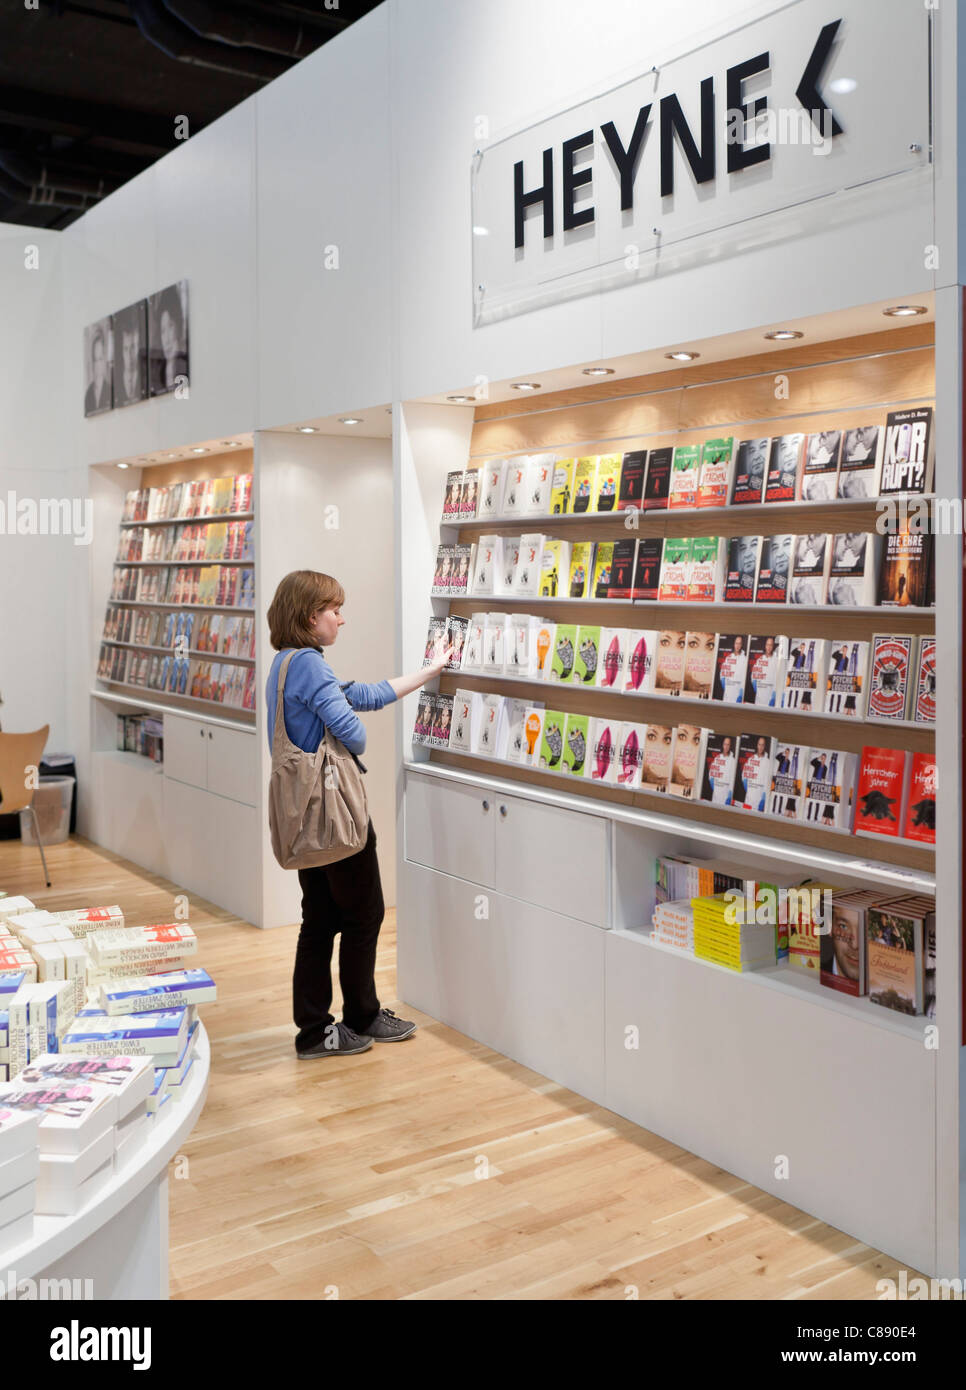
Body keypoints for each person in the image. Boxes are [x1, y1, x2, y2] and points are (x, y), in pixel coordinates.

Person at [266, 569, 451, 1059]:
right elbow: (356, 732)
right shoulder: (310, 665)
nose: (341, 619)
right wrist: (345, 721)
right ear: (311, 617)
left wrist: (428, 672)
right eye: (334, 610)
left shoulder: (285, 664)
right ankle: (362, 1015)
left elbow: (365, 694)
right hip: (337, 820)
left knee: (319, 919)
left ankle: (316, 1032)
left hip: (305, 820)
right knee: (365, 913)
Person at [85, 326, 111, 414]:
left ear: (104, 359)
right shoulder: (88, 395)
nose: (97, 365)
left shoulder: (109, 390)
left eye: (100, 359)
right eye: (95, 359)